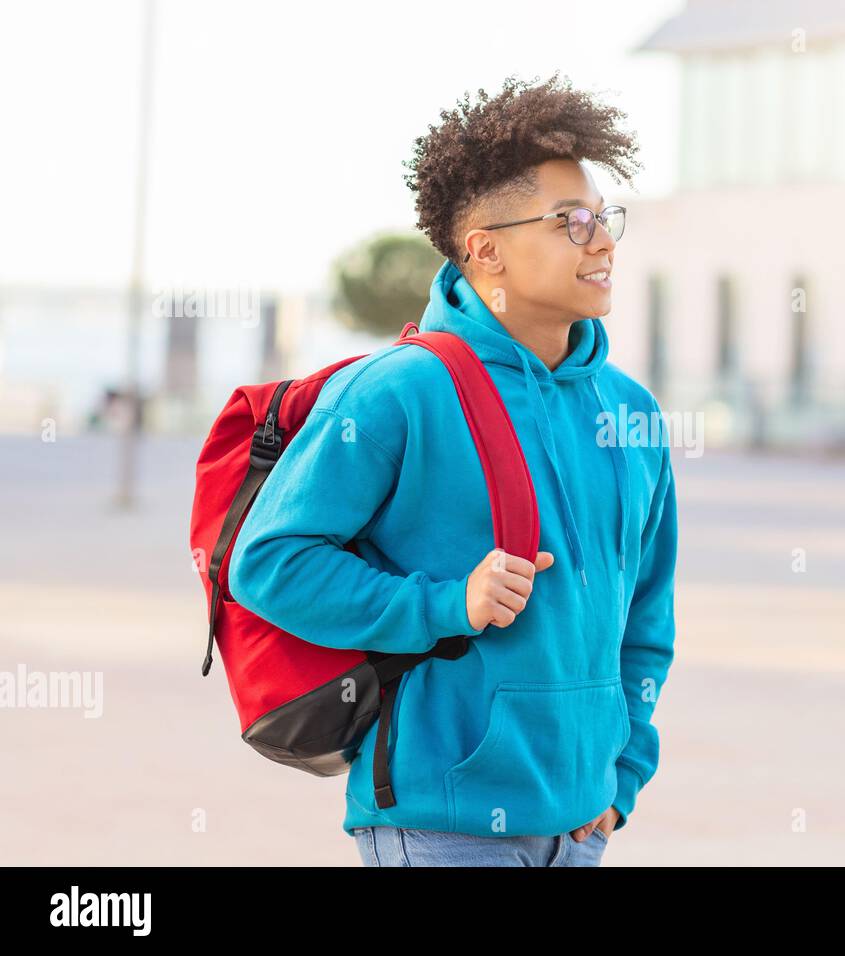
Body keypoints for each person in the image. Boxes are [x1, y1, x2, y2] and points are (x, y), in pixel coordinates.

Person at [227, 73, 677, 867]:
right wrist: (445, 603)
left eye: (605, 219)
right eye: (572, 222)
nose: (603, 241)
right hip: (443, 826)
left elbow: (646, 617)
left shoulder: (631, 411)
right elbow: (269, 563)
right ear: (486, 249)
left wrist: (623, 776)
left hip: (581, 831)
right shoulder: (400, 392)